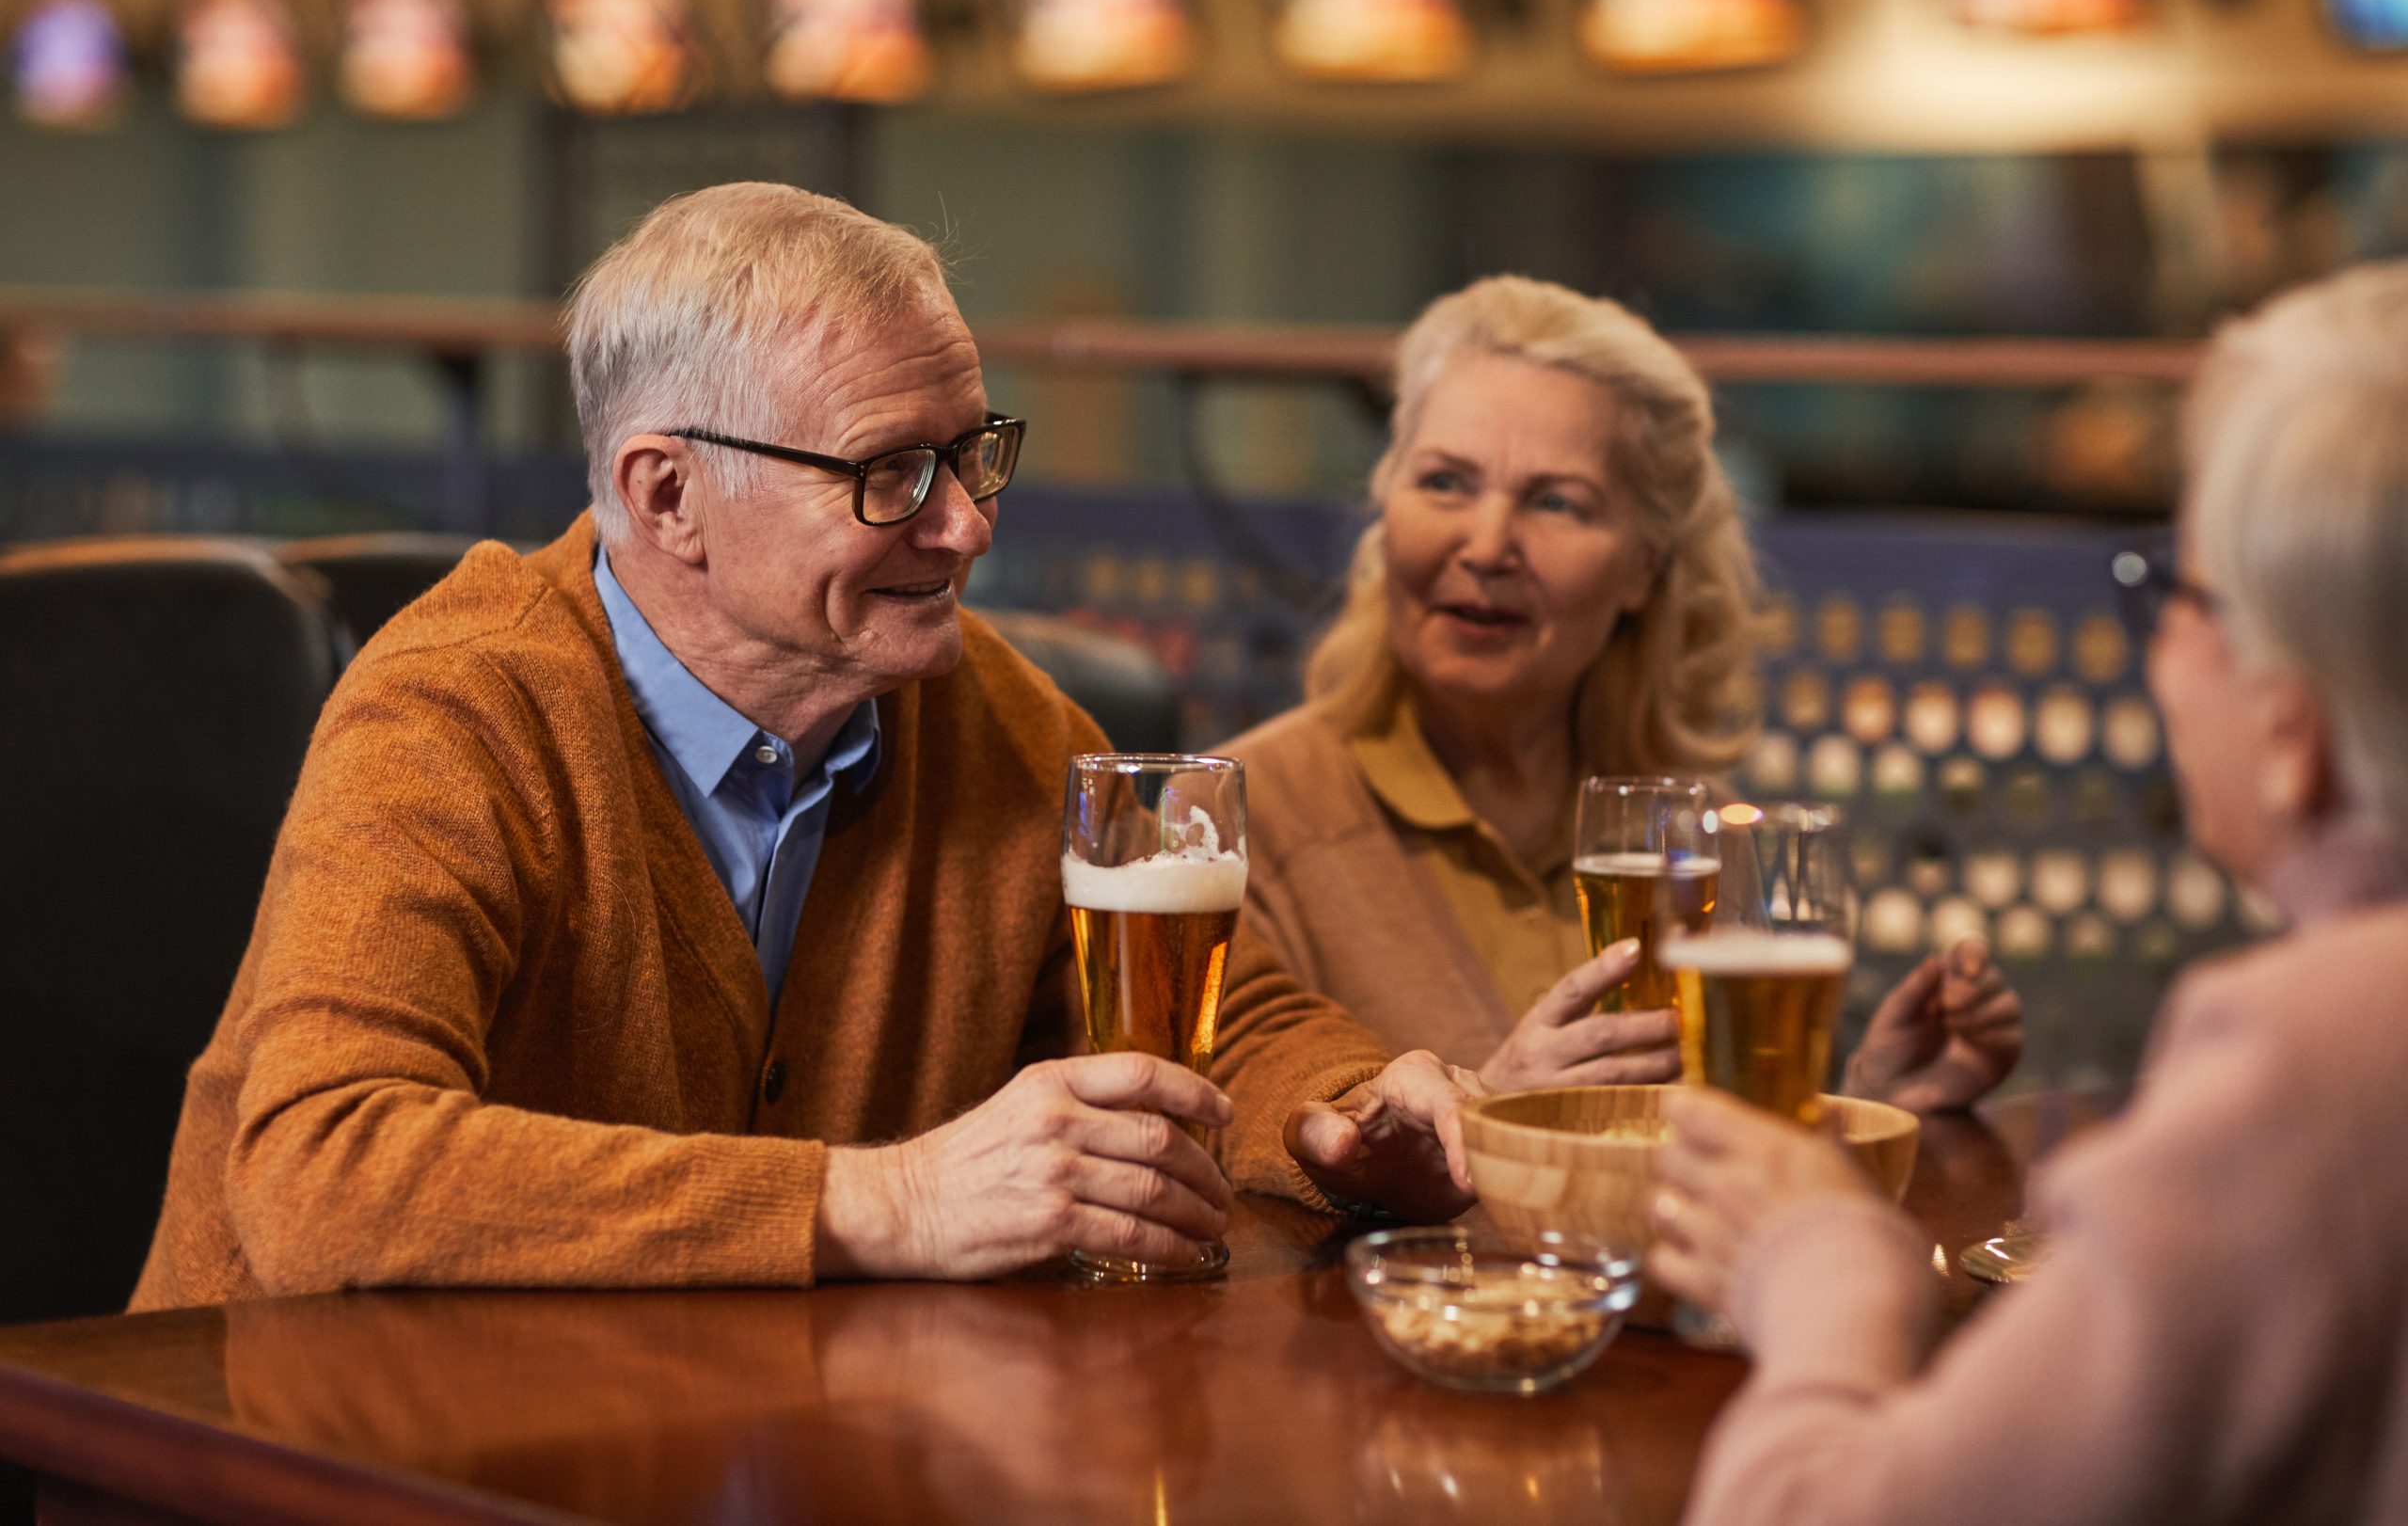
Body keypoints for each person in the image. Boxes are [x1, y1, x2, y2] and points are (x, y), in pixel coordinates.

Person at [133, 183, 1475, 1310]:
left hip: (697, 1434)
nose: (966, 528)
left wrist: (1349, 1115)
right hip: (278, 1451)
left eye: (972, 453)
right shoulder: (456, 708)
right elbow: (326, 1170)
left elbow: (1220, 1015)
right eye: (890, 471)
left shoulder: (999, 715)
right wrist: (885, 1196)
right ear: (671, 495)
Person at [1647, 262, 2408, 1524]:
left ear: (2294, 726)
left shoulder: (2320, 1052)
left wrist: (1830, 1270)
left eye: (2185, 591)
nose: (2162, 647)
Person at [1218, 275, 2020, 1106]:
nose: (1488, 544)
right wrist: (1496, 1110)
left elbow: (1739, 1164)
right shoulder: (1245, 824)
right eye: (1445, 483)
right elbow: (1235, 1179)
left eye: (1557, 501)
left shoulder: (1702, 836)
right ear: (1385, 507)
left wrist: (1871, 1099)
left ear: (1646, 566)